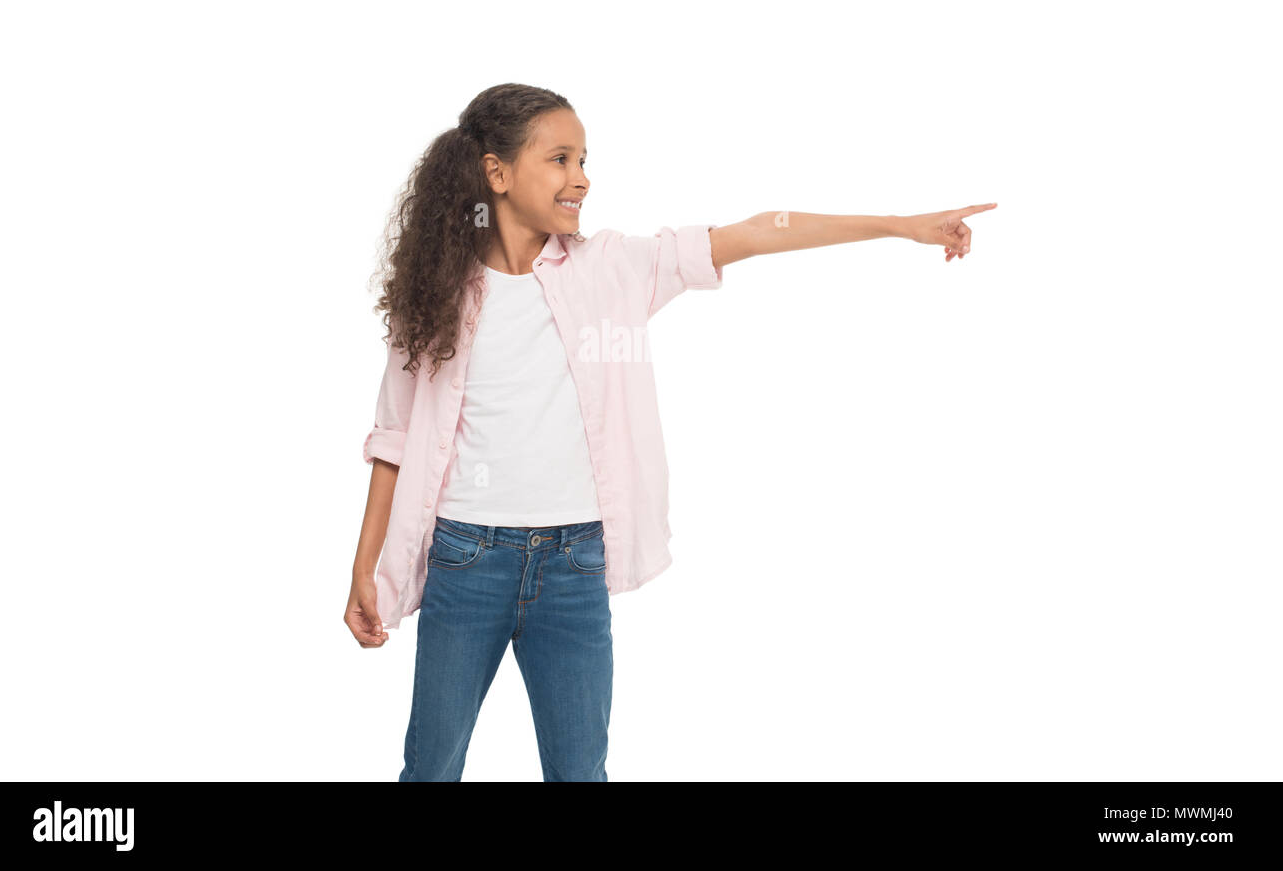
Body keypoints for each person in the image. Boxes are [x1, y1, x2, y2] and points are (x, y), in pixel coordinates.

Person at [344, 82, 997, 781]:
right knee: (431, 766)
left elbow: (755, 230)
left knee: (580, 771)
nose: (582, 177)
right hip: (465, 559)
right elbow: (394, 439)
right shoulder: (437, 291)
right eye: (560, 159)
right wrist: (365, 564)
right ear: (496, 174)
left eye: (585, 158)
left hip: (574, 566)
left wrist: (900, 225)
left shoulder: (613, 268)